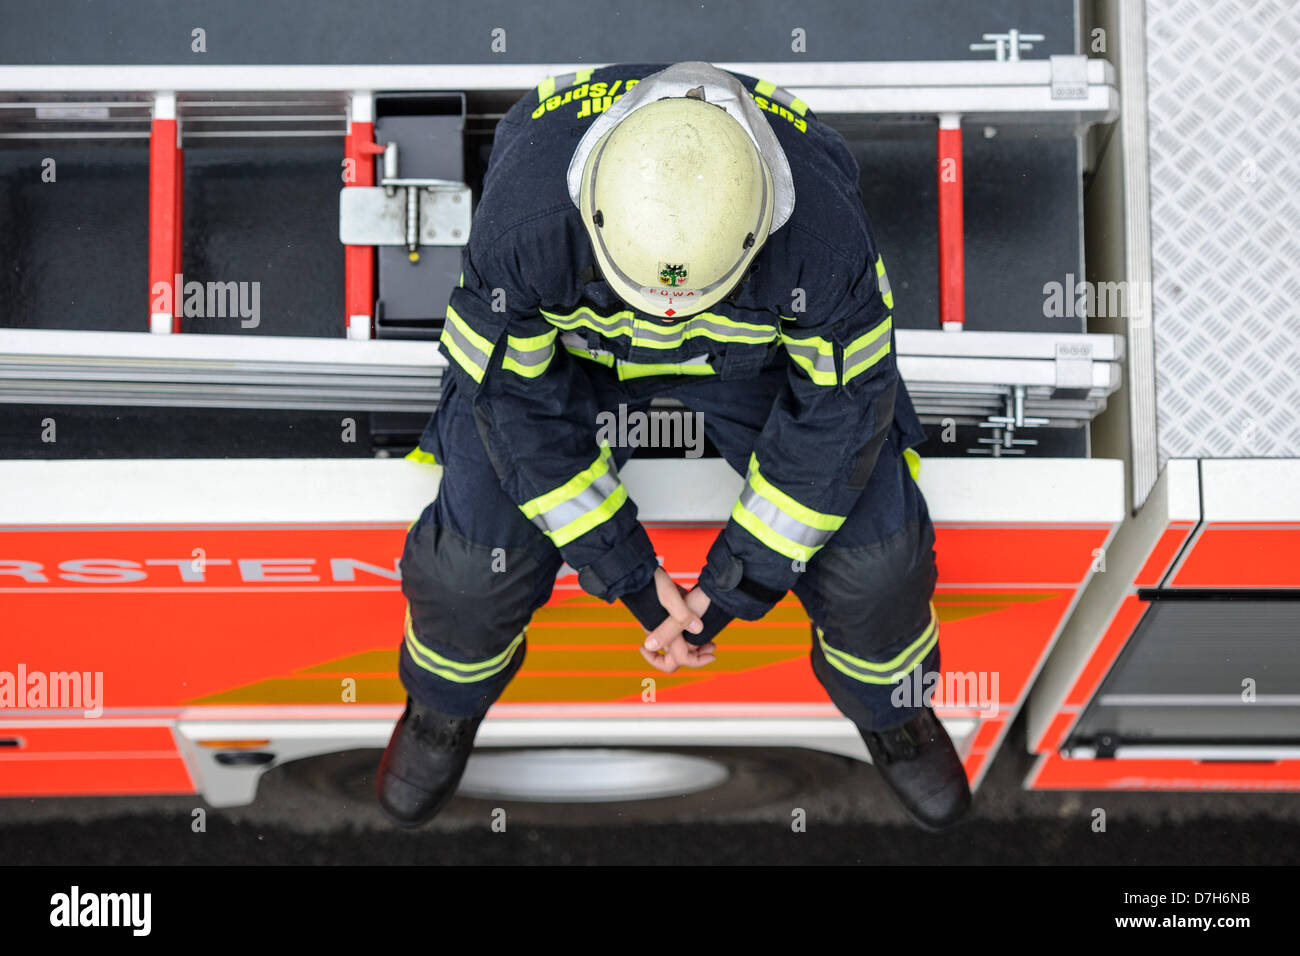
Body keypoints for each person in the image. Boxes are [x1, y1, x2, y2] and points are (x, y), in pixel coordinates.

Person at [377, 61, 972, 831]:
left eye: (683, 301)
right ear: (591, 212)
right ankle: (441, 706)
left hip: (751, 366)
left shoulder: (824, 247)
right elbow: (517, 403)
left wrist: (729, 592)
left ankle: (894, 712)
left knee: (878, 573)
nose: (663, 316)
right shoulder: (524, 229)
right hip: (573, 361)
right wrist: (626, 573)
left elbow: (841, 414)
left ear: (758, 232)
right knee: (467, 577)